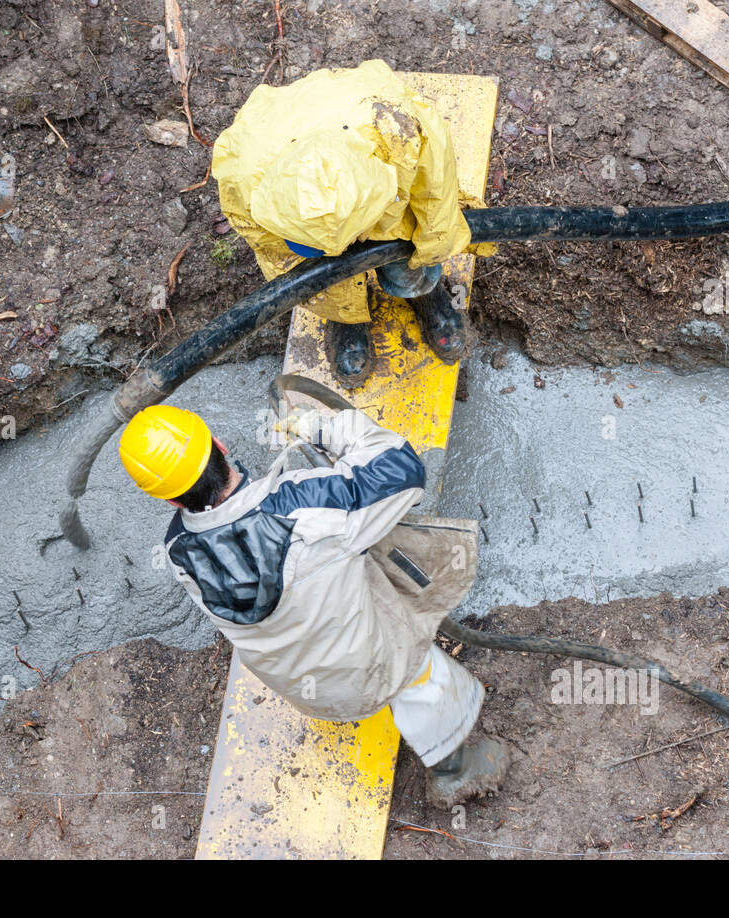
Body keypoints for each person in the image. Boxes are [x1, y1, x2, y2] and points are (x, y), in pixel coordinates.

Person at [118, 402, 509, 807]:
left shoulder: (177, 551)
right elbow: (403, 470)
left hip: (307, 693)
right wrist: (323, 429)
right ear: (219, 443)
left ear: (168, 501)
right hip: (369, 672)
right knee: (415, 661)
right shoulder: (301, 504)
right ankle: (456, 769)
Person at [212, 59, 473, 387]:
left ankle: (422, 291)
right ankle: (346, 318)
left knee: (406, 248)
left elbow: (435, 196)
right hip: (293, 183)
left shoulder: (403, 129)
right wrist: (298, 267)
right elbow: (263, 242)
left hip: (385, 177)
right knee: (324, 274)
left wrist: (431, 247)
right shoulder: (242, 171)